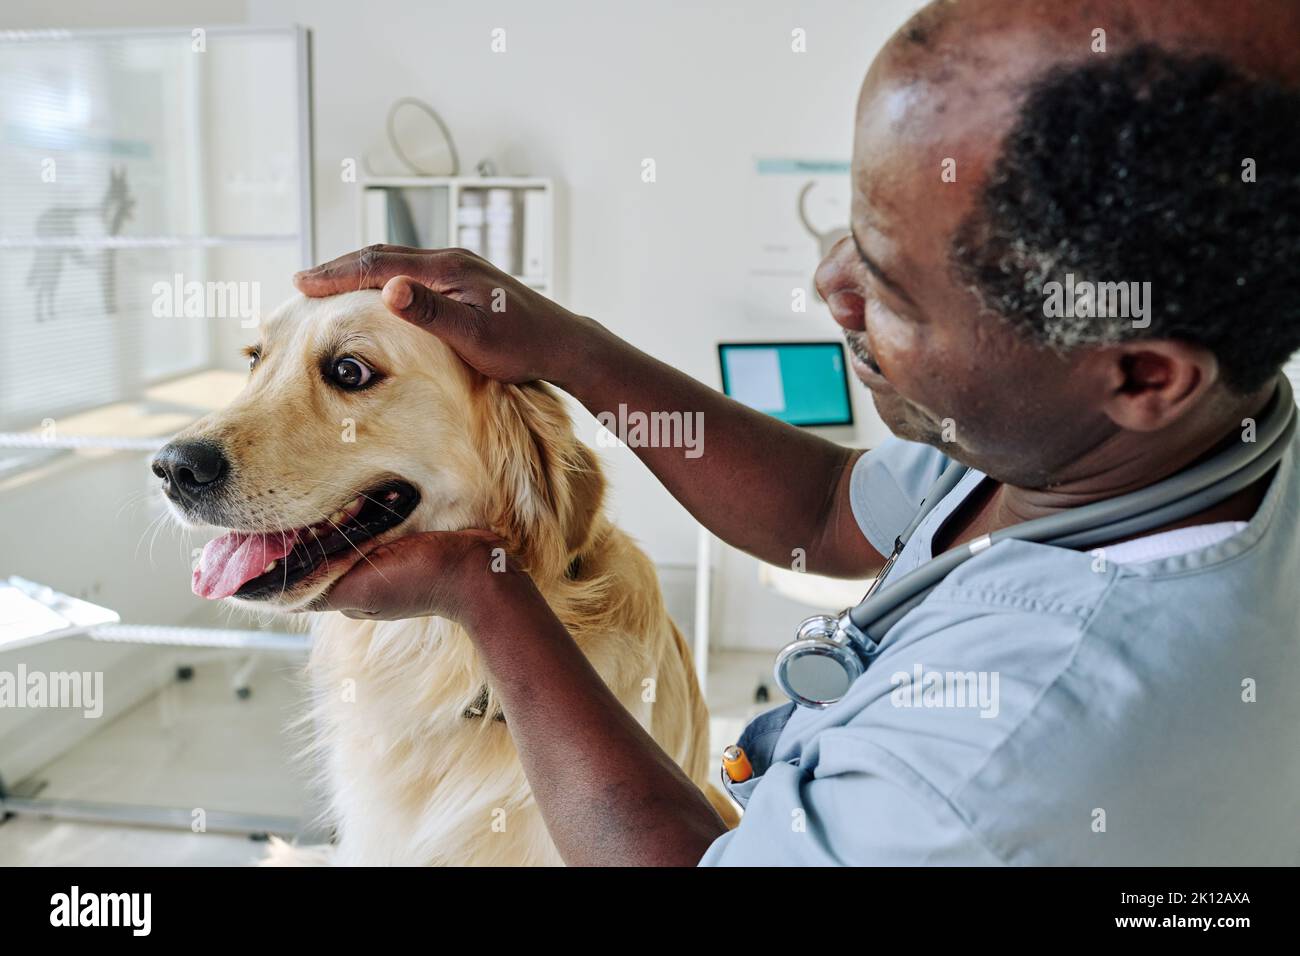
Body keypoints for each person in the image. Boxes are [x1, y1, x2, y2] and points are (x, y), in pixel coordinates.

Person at [291, 0, 1300, 865]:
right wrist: (569, 348)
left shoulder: (1007, 753)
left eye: (892, 286)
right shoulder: (1132, 441)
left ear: (1140, 373)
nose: (830, 287)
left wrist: (486, 589)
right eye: (850, 231)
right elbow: (825, 511)